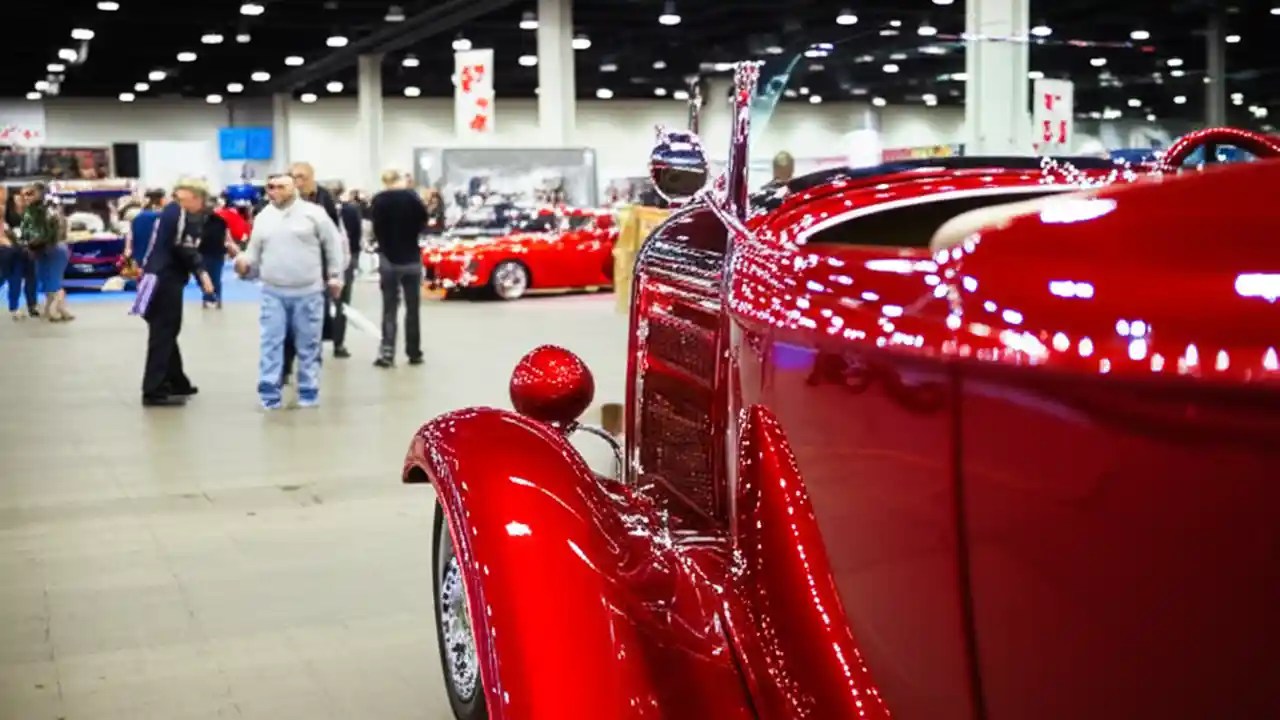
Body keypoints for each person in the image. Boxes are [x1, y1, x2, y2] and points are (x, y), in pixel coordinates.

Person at [234, 172, 344, 410]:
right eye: (270, 187)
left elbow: (333, 247)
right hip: (273, 291)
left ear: (294, 188)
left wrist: (335, 276)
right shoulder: (263, 217)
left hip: (308, 291)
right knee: (270, 343)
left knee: (309, 344)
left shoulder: (314, 214)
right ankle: (269, 394)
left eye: (281, 187)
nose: (274, 191)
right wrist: (244, 266)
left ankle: (308, 391)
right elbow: (253, 253)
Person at [139, 179, 218, 407]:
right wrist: (202, 273)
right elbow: (184, 246)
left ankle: (176, 381)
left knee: (165, 330)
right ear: (195, 197)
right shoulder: (182, 213)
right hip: (166, 279)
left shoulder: (168, 211)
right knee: (164, 333)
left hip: (152, 276)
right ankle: (153, 389)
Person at [281, 161, 343, 379]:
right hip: (288, 271)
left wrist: (335, 271)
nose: (298, 181)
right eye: (293, 177)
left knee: (314, 323)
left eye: (302, 177)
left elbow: (333, 235)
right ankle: (285, 366)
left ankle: (310, 366)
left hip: (317, 272)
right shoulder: (282, 200)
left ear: (312, 177)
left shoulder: (325, 198)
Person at [369, 168, 427, 368]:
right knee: (412, 309)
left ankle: (387, 353)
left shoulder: (379, 200)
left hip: (389, 260)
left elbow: (376, 228)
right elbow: (423, 221)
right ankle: (414, 352)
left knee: (389, 309)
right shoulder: (413, 198)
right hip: (412, 258)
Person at [20, 183, 74, 322]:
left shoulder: (45, 210)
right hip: (45, 248)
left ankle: (55, 310)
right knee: (48, 280)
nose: (27, 197)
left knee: (53, 281)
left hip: (51, 248)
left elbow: (50, 229)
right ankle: (57, 309)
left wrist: (33, 242)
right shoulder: (38, 209)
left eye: (31, 193)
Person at [329, 184, 363, 356]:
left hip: (321, 262)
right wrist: (355, 257)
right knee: (341, 303)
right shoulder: (351, 210)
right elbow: (357, 234)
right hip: (346, 259)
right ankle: (338, 344)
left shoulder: (316, 211)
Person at [6, 185, 40, 320]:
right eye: (19, 197)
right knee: (15, 280)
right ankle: (14, 307)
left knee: (32, 279)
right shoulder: (8, 214)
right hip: (14, 251)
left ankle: (32, 306)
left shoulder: (32, 212)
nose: (22, 199)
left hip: (30, 249)